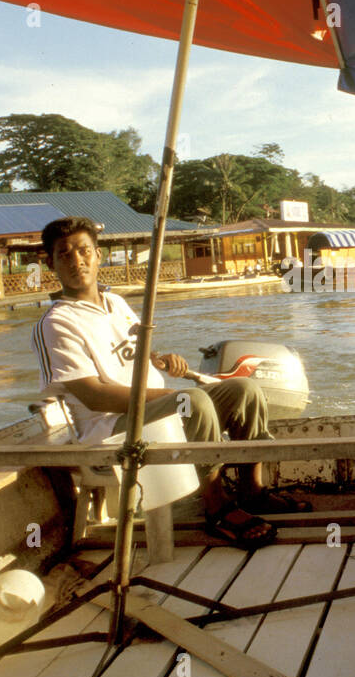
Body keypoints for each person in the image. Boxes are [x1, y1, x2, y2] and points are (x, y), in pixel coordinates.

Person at [31, 216, 299, 549]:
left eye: (83, 250)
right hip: (110, 429)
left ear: (98, 255)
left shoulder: (114, 303)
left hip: (154, 406)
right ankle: (217, 508)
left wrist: (160, 360)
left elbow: (133, 351)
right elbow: (94, 396)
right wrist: (170, 395)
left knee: (245, 390)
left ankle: (251, 491)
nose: (76, 261)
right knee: (194, 402)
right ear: (51, 263)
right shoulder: (56, 323)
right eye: (64, 254)